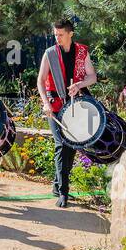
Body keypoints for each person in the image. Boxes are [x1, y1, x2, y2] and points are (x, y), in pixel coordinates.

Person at [37, 18, 98, 207]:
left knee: (71, 146)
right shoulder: (49, 54)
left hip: (76, 106)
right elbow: (40, 82)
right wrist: (45, 104)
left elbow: (92, 77)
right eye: (55, 34)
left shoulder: (82, 52)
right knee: (62, 145)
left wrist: (79, 84)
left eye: (61, 35)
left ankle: (57, 185)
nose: (57, 38)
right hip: (55, 107)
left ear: (70, 34)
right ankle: (63, 192)